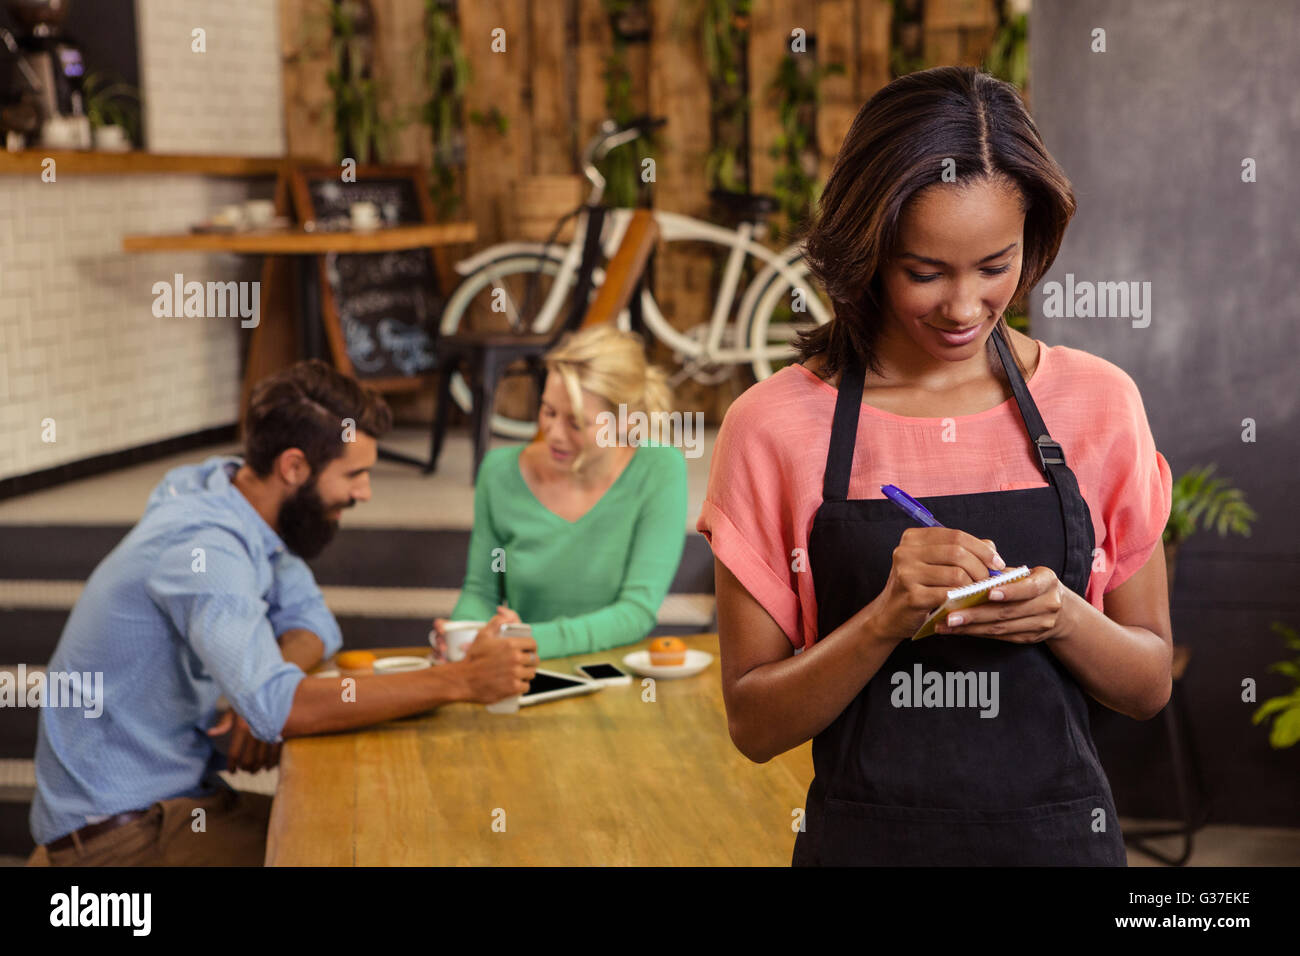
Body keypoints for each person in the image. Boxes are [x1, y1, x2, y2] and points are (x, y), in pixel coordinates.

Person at [699, 66, 1174, 866]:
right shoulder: (773, 427)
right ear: (867, 251)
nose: (963, 308)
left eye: (996, 266)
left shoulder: (1099, 403)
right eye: (925, 272)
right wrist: (885, 618)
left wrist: (1062, 614)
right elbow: (754, 725)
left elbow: (1148, 681)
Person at [28, 359, 536, 866]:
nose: (365, 492)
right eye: (355, 474)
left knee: (364, 821)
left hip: (180, 800)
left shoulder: (232, 494)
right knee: (372, 850)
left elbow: (314, 624)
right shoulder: (205, 550)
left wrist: (271, 688)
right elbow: (280, 708)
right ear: (293, 467)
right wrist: (462, 680)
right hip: (120, 839)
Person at [435, 325, 688, 660]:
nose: (552, 433)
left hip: (611, 673)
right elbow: (481, 591)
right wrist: (464, 636)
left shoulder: (660, 469)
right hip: (517, 669)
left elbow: (636, 611)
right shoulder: (498, 472)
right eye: (548, 411)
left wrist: (527, 639)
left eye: (576, 423)